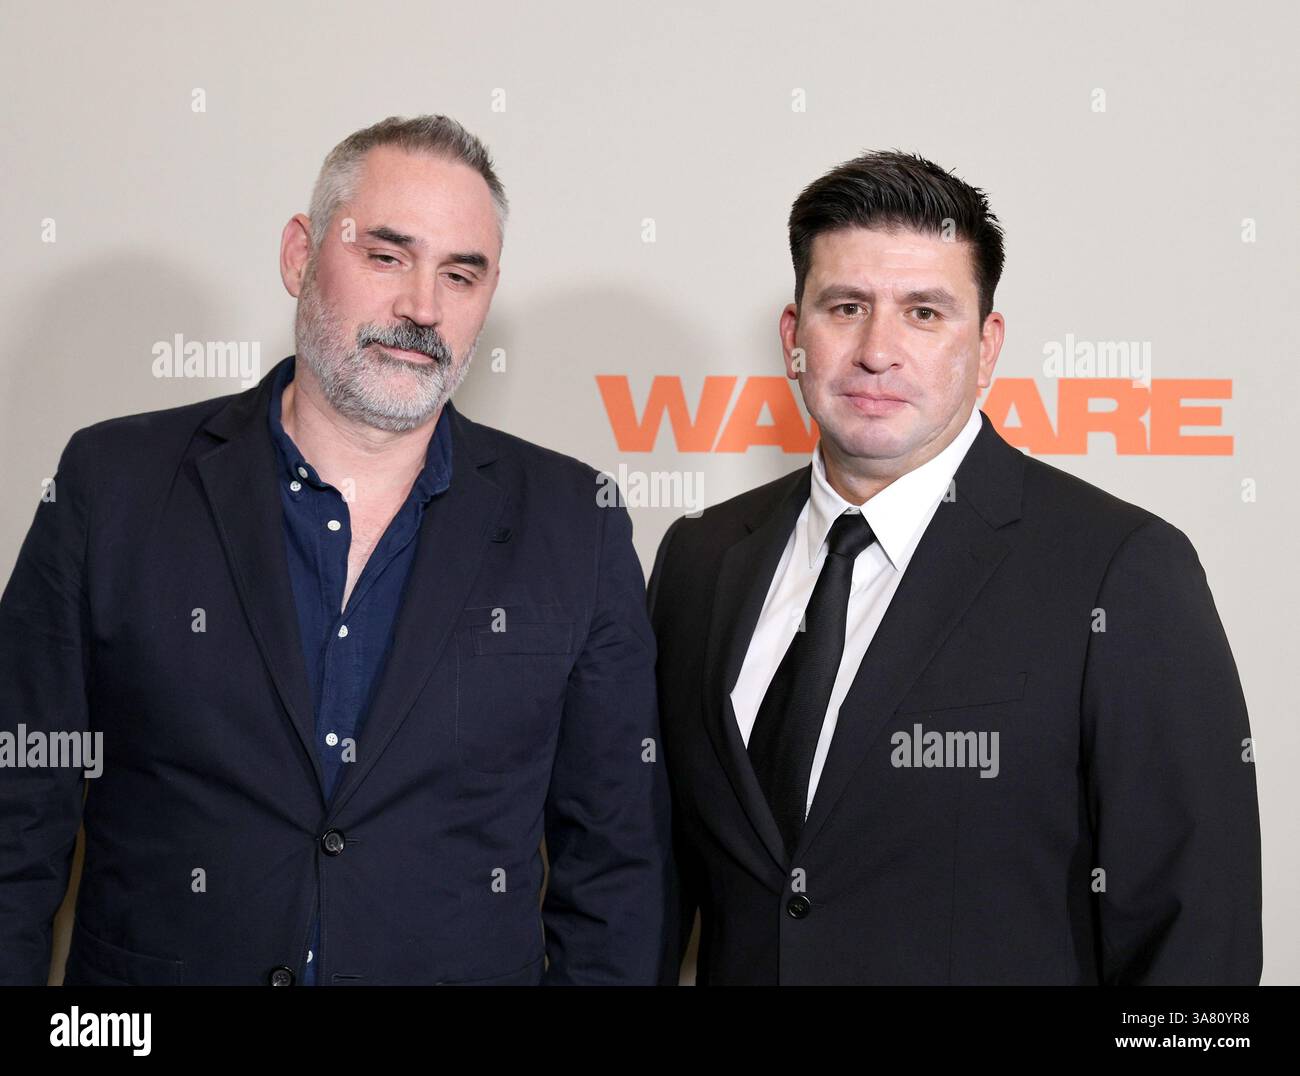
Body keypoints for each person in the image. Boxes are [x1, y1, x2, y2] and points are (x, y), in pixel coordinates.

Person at [0, 115, 669, 986]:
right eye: (386, 257)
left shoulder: (576, 521)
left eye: (459, 274)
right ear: (299, 255)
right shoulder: (113, 483)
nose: (421, 308)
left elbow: (617, 863)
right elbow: (17, 811)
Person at [649, 150, 1262, 985]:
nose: (877, 351)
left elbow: (1196, 939)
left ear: (987, 345)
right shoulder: (700, 559)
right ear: (794, 337)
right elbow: (649, 880)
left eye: (925, 313)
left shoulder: (1119, 570)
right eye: (845, 306)